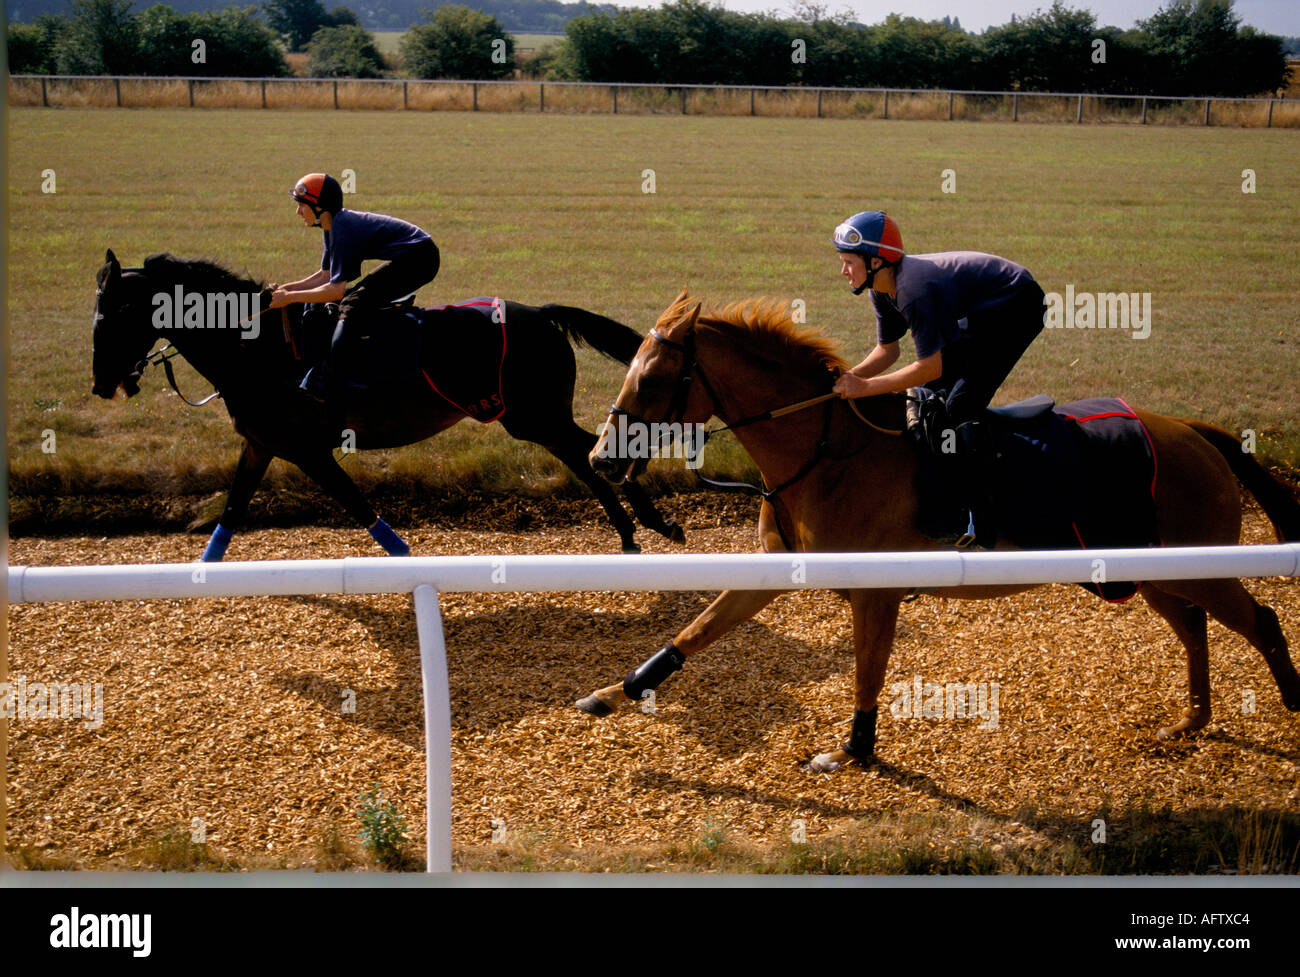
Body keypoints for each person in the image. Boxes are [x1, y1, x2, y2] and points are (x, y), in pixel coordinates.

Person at [830, 210, 1046, 545]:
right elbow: (888, 351)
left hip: (1017, 304)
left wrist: (867, 387)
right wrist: (848, 378)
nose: (843, 270)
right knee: (925, 399)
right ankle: (941, 497)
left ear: (875, 261)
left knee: (960, 405)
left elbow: (931, 367)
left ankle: (981, 519)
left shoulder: (913, 290)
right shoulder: (881, 289)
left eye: (849, 261)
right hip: (982, 308)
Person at [270, 173, 440, 401]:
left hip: (420, 259)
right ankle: (316, 369)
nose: (298, 212)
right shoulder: (332, 226)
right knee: (321, 301)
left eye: (302, 205)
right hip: (413, 254)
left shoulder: (342, 229)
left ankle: (333, 379)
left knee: (351, 303)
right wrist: (285, 290)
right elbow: (324, 276)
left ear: (320, 207)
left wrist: (290, 298)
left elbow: (335, 290)